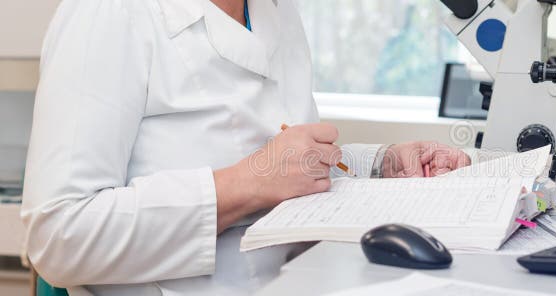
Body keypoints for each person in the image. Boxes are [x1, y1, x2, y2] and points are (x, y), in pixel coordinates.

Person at [21, 0, 471, 294]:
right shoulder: (108, 13)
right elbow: (59, 235)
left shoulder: (275, 12)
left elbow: (284, 156)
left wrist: (382, 163)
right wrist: (247, 184)